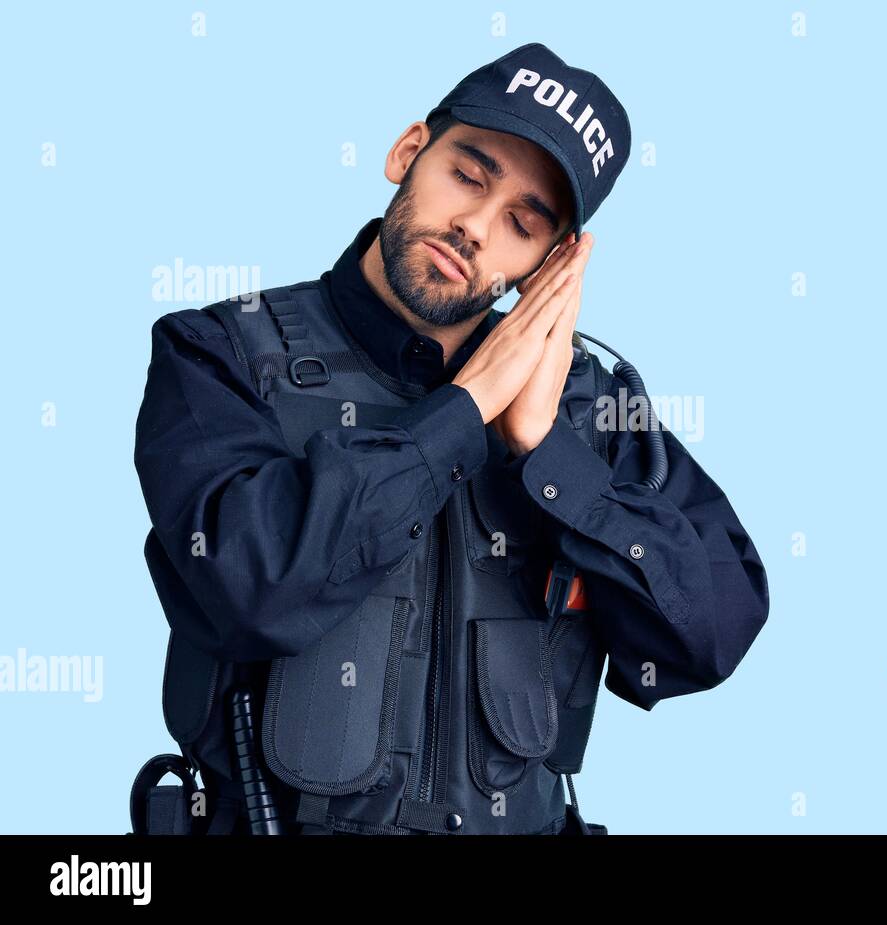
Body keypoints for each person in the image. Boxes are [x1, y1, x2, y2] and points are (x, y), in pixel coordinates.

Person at [133, 42, 769, 836]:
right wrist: (464, 412)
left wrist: (550, 456)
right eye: (468, 175)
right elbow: (253, 586)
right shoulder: (219, 354)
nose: (474, 226)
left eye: (523, 222)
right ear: (409, 152)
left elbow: (709, 636)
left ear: (552, 264)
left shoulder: (586, 410)